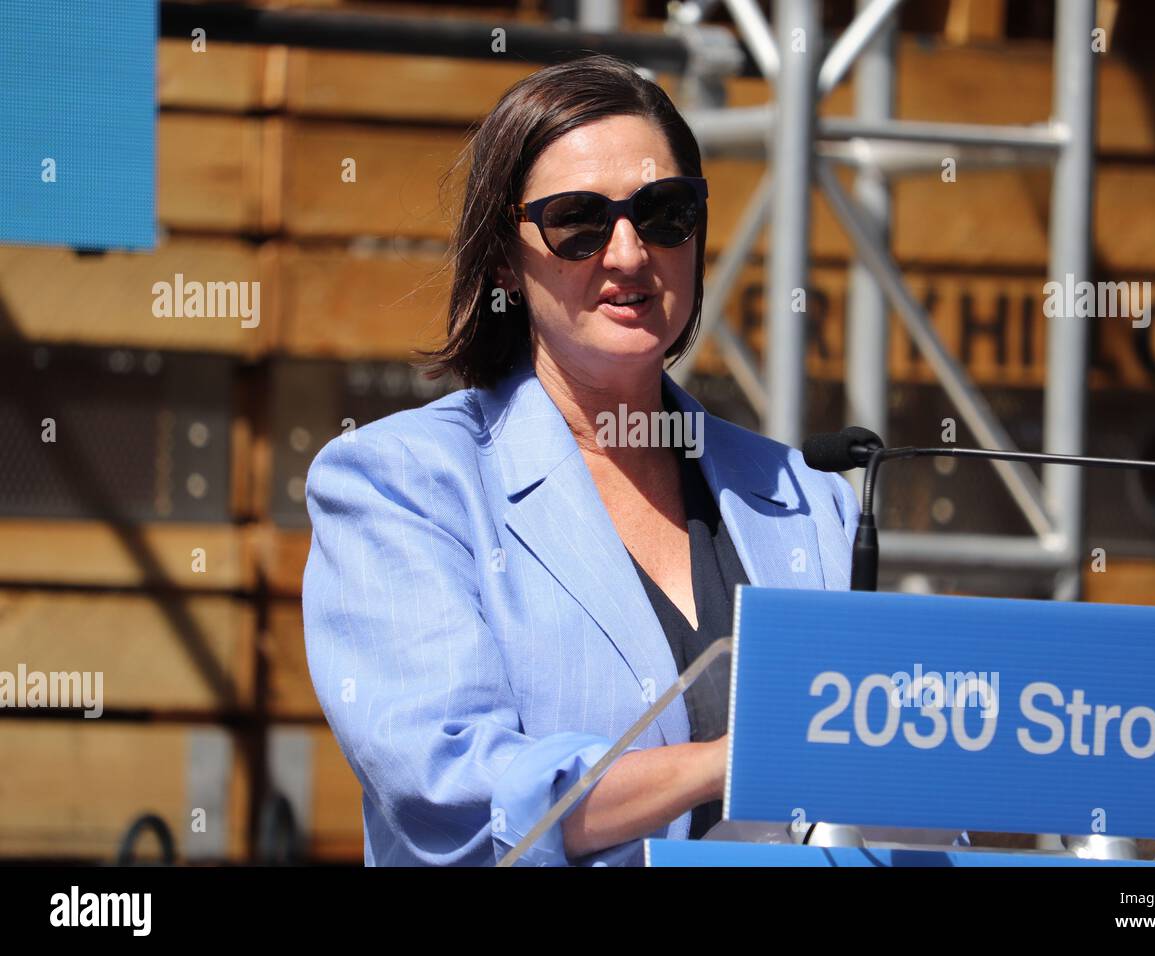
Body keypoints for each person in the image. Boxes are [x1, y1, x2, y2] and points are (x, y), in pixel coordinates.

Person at [302, 54, 860, 866]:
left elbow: (876, 800)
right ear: (502, 258)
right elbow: (456, 794)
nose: (629, 254)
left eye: (666, 212)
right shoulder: (400, 483)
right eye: (578, 220)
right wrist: (728, 764)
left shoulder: (809, 500)